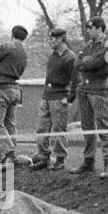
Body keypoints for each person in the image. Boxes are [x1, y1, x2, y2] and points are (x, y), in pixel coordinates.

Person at [72, 16, 108, 176]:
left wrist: (87, 61)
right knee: (87, 127)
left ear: (99, 28)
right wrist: (87, 60)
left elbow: (100, 65)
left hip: (99, 89)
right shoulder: (89, 45)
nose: (88, 31)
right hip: (84, 88)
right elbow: (77, 64)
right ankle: (88, 161)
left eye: (91, 28)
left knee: (103, 127)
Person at [30, 28, 77, 171]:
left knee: (59, 129)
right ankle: (43, 156)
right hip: (47, 96)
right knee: (42, 129)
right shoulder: (53, 56)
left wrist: (69, 99)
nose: (50, 41)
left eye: (53, 39)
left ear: (61, 39)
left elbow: (76, 81)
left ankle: (60, 159)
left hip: (60, 96)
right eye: (49, 39)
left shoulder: (70, 57)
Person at [0, 25, 29, 162]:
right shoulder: (24, 52)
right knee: (10, 123)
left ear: (12, 34)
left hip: (1, 88)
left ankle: (9, 154)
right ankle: (11, 153)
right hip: (15, 88)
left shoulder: (7, 46)